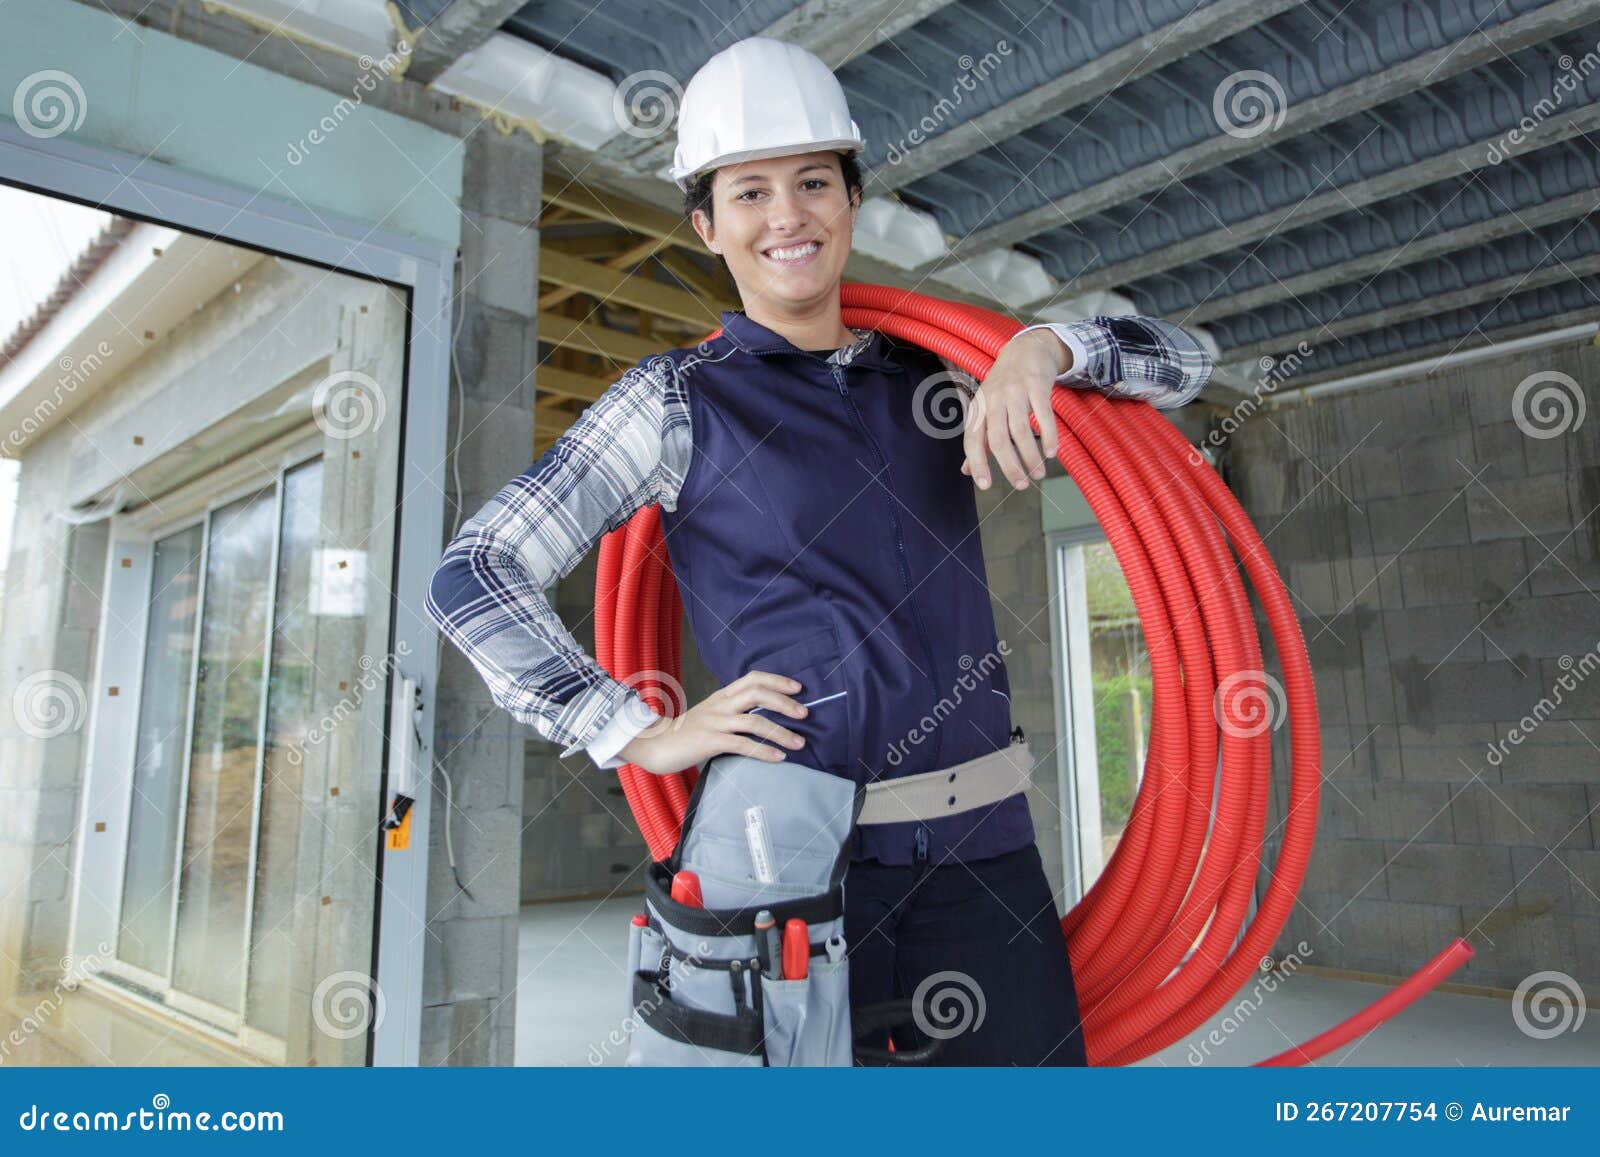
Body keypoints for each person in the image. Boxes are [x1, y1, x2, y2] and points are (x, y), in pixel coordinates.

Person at [426, 36, 1212, 1066]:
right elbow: (472, 570)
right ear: (708, 224)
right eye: (748, 192)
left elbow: (1188, 361)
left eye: (810, 183)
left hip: (986, 865)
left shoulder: (941, 374)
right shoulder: (673, 403)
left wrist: (1046, 346)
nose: (785, 215)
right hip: (785, 874)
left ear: (848, 200)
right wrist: (633, 727)